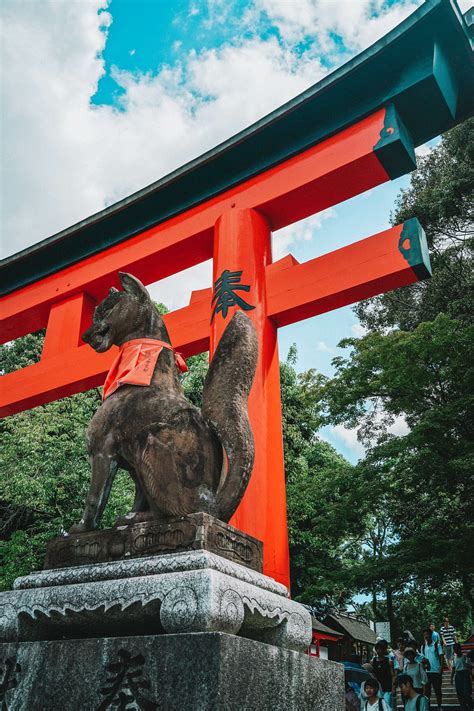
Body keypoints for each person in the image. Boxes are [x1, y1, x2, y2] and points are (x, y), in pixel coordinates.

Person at [419, 628, 445, 711]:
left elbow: (441, 656)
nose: (426, 636)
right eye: (424, 635)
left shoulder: (437, 645)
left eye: (427, 634)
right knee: (427, 692)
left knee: (438, 691)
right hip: (427, 672)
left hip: (436, 671)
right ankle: (427, 707)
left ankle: (439, 706)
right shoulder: (423, 647)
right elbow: (422, 658)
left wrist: (441, 667)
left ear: (431, 635)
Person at [371, 640, 396, 708]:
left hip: (387, 688)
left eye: (381, 649)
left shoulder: (389, 661)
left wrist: (393, 687)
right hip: (377, 688)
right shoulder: (373, 661)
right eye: (378, 649)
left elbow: (393, 675)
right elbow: (371, 673)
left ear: (384, 650)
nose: (379, 651)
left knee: (387, 705)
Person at [451, 642, 473, 711]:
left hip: (465, 675)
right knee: (459, 693)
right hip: (458, 676)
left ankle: (470, 707)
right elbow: (453, 669)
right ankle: (463, 708)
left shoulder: (465, 657)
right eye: (454, 650)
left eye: (456, 649)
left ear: (460, 649)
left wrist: (471, 675)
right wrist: (451, 678)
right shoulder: (454, 659)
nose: (455, 651)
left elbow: (470, 667)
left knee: (466, 693)